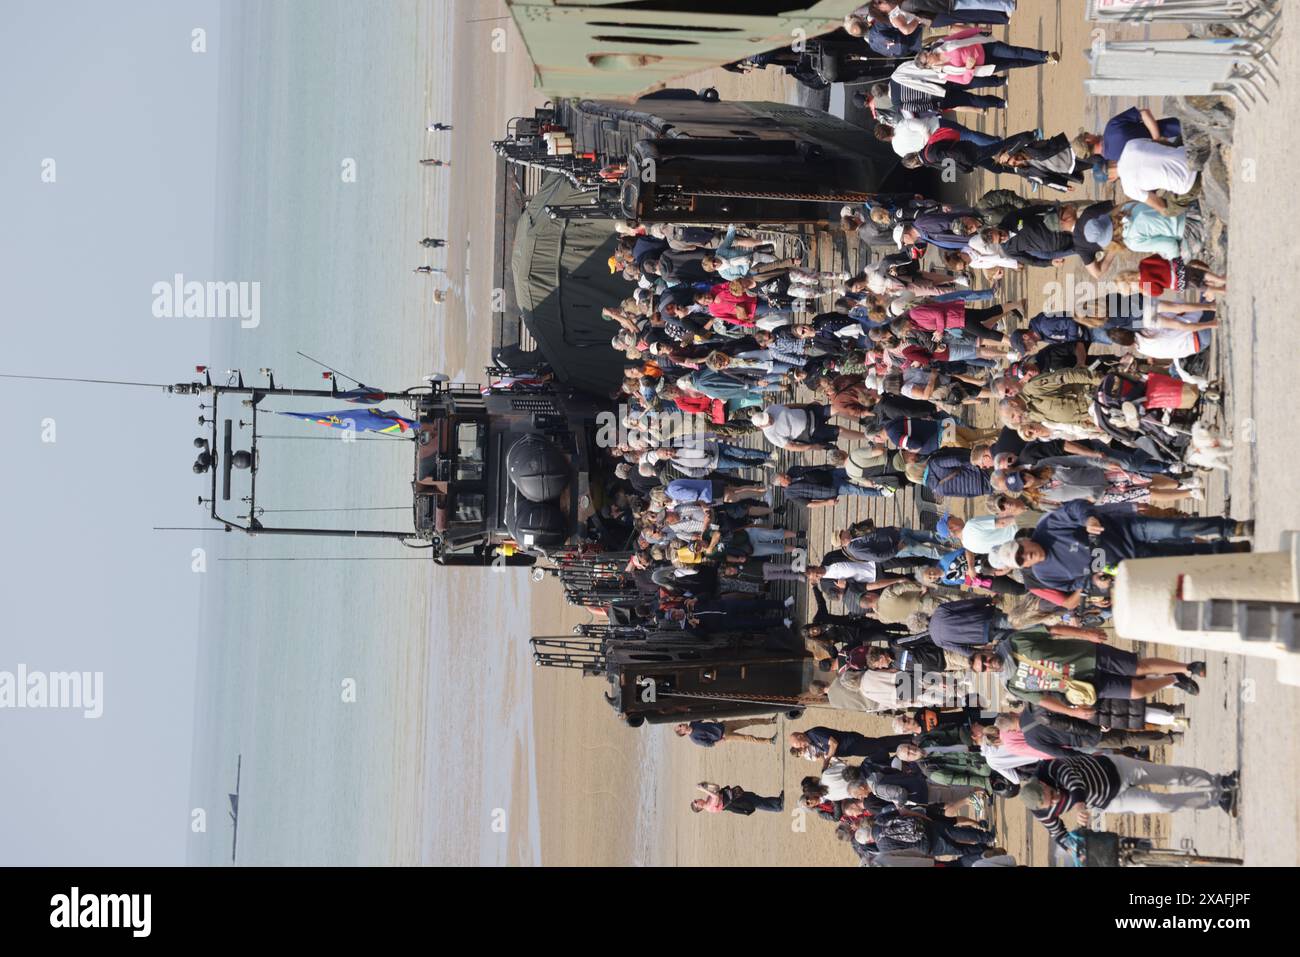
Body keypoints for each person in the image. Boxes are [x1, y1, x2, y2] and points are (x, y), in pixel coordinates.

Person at [969, 625, 1205, 714]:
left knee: (1138, 667)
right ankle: (1174, 678)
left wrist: (1085, 633)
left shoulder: (1016, 642)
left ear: (987, 651)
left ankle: (1188, 667)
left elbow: (1053, 631)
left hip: (1089, 656)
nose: (988, 665)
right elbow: (1043, 700)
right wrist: (1073, 712)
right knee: (1137, 692)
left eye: (985, 659)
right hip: (1084, 686)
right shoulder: (1012, 685)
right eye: (984, 668)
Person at [1020, 754, 1239, 846]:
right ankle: (1217, 798)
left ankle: (1220, 781)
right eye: (1050, 803)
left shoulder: (1048, 767)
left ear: (1042, 784)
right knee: (1161, 804)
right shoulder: (1041, 811)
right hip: (1111, 801)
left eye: (1051, 795)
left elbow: (1074, 780)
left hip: (1118, 769)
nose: (1055, 800)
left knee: (1173, 775)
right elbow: (1058, 834)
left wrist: (1078, 804)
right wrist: (1073, 847)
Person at [691, 782, 784, 815]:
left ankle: (777, 801)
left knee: (755, 797)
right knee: (756, 803)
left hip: (734, 796)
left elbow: (717, 788)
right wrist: (704, 790)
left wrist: (706, 785)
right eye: (696, 802)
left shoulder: (707, 798)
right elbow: (716, 797)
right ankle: (777, 807)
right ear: (699, 807)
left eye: (695, 800)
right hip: (735, 802)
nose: (696, 800)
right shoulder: (708, 807)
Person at [674, 718, 778, 747]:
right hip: (724, 735)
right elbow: (709, 744)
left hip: (724, 725)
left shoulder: (693, 723)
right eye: (680, 726)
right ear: (682, 732)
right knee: (748, 738)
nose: (682, 724)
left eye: (680, 724)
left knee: (748, 721)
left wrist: (712, 718)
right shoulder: (694, 739)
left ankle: (771, 721)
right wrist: (722, 740)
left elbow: (702, 716)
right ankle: (770, 741)